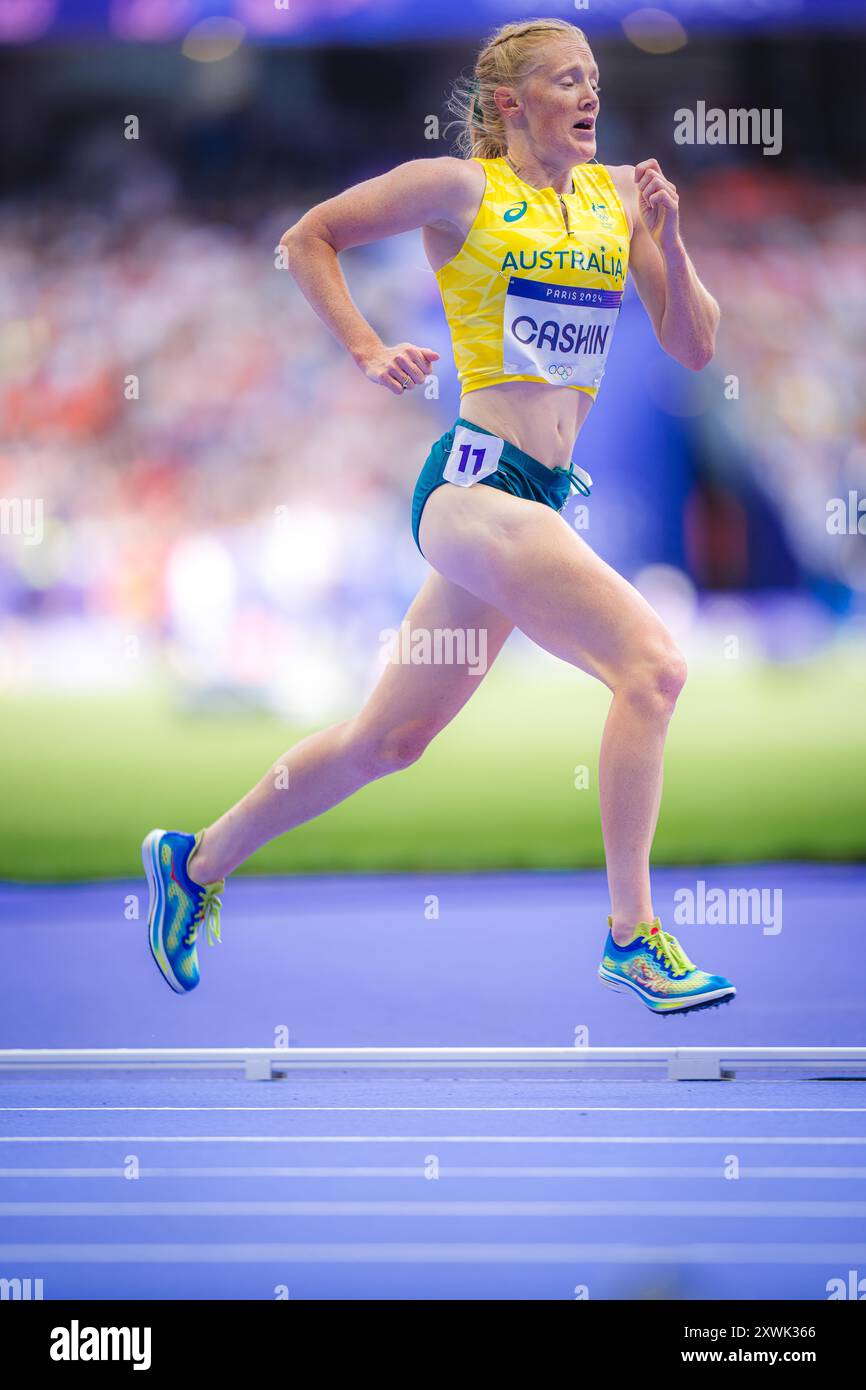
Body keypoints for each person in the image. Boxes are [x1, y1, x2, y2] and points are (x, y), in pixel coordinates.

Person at [142, 16, 735, 1015]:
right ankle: (631, 934)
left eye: (593, 77)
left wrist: (668, 248)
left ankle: (194, 862)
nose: (588, 95)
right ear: (511, 106)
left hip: (536, 498)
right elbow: (308, 236)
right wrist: (369, 348)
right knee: (653, 666)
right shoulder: (457, 188)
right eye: (563, 81)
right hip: (474, 488)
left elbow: (692, 347)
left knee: (390, 740)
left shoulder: (621, 195)